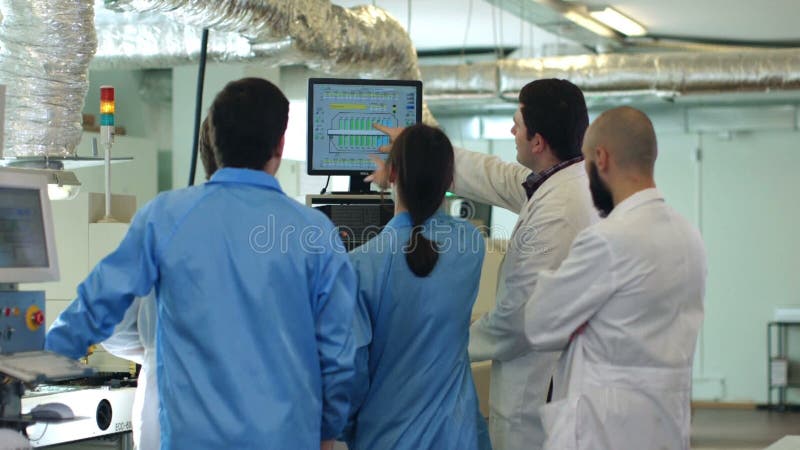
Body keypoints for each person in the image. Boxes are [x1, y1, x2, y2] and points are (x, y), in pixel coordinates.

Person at [46, 78, 357, 450]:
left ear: (212, 139)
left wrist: (34, 365)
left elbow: (96, 303)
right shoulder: (316, 234)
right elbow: (339, 356)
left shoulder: (165, 218)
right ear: (279, 144)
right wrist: (327, 430)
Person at [372, 78, 597, 450]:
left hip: (535, 397)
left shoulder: (557, 209)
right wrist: (420, 150)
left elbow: (519, 321)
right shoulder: (563, 182)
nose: (512, 130)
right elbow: (499, 176)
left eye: (517, 125)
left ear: (537, 142)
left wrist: (448, 341)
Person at [523, 106, 707, 450]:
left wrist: (577, 316)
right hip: (665, 428)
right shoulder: (689, 236)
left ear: (601, 158)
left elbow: (538, 323)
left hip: (604, 431)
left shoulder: (608, 240)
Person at [344, 124, 491, 450]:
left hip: (387, 437)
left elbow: (350, 372)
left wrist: (348, 429)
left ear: (392, 174)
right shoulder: (470, 244)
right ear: (450, 180)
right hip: (458, 436)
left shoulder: (361, 264)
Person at [100, 118, 218, 450]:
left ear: (205, 154)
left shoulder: (161, 222)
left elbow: (110, 323)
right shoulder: (288, 231)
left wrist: (154, 348)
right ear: (275, 150)